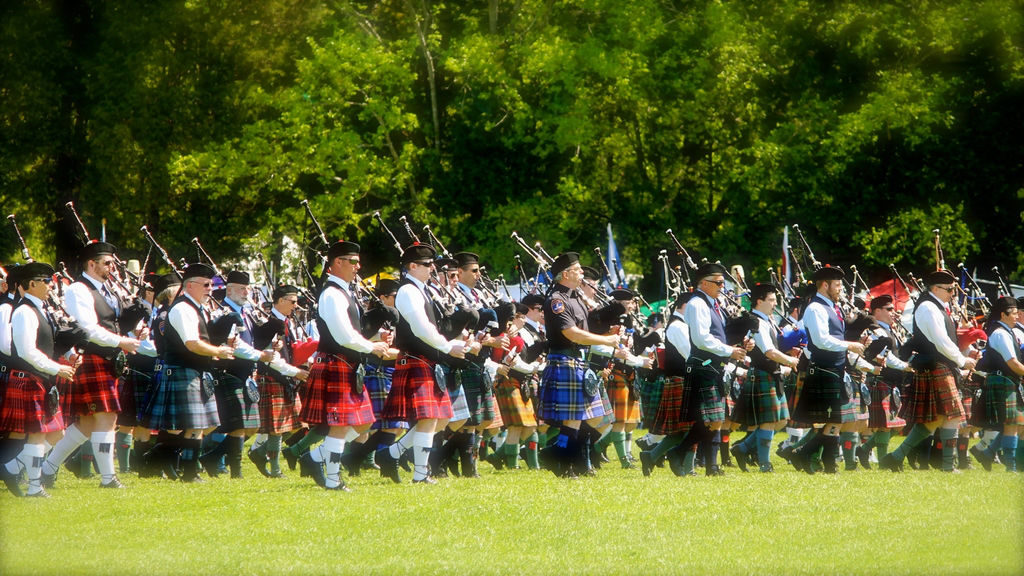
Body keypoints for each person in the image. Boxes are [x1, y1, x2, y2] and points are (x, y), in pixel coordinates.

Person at [42, 241, 141, 489]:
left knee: (86, 424)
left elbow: (114, 321)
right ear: (91, 264)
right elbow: (87, 328)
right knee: (107, 417)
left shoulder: (108, 290)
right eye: (107, 262)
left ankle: (47, 468)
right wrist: (121, 341)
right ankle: (108, 478)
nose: (112, 267)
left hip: (108, 360)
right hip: (93, 357)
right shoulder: (79, 289)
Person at [298, 241, 392, 491]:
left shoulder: (346, 291)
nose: (357, 266)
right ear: (337, 262)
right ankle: (332, 480)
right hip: (335, 363)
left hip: (348, 365)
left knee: (363, 423)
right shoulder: (331, 293)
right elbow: (343, 335)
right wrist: (372, 347)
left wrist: (374, 338)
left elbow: (354, 331)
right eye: (352, 261)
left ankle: (315, 457)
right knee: (340, 426)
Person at [377, 243, 470, 484]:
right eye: (428, 265)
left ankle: (392, 453)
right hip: (417, 358)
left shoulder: (423, 290)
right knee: (430, 419)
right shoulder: (408, 291)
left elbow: (436, 325)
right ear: (413, 266)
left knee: (440, 419)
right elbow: (420, 327)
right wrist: (449, 347)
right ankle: (420, 474)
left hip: (428, 359)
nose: (433, 269)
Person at [140, 263, 235, 482]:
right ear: (189, 285)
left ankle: (167, 463)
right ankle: (176, 467)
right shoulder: (183, 308)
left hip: (196, 370)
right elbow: (192, 343)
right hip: (182, 370)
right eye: (206, 284)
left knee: (200, 425)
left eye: (211, 284)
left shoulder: (196, 308)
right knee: (192, 426)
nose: (210, 288)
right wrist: (218, 351)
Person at [880, 269, 976, 473]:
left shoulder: (938, 307)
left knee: (937, 419)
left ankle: (895, 458)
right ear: (935, 288)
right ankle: (947, 466)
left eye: (954, 289)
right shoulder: (928, 308)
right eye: (949, 289)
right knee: (952, 416)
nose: (953, 293)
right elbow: (940, 341)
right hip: (936, 365)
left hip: (940, 365)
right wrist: (961, 360)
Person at [536, 252, 621, 478]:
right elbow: (571, 333)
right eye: (578, 269)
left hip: (578, 360)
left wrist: (604, 331)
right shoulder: (556, 300)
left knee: (590, 418)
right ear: (566, 274)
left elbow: (585, 330)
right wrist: (606, 340)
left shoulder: (577, 298)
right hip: (564, 359)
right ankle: (564, 463)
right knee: (573, 418)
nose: (583, 272)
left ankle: (557, 454)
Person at [0, 263, 77, 497]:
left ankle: (11, 467)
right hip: (29, 378)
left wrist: (70, 355)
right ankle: (34, 487)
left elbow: (49, 341)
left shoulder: (41, 308)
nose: (50, 285)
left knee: (57, 434)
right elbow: (26, 351)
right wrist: (58, 368)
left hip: (42, 378)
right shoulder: (24, 311)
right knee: (36, 436)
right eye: (45, 281)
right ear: (31, 284)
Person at [789, 266, 866, 474]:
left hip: (836, 368)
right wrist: (849, 345)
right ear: (825, 285)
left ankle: (822, 460)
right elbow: (821, 340)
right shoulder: (815, 309)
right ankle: (813, 457)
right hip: (824, 368)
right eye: (838, 285)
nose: (841, 289)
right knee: (834, 419)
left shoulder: (834, 308)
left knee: (836, 420)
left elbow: (836, 339)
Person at [730, 284, 799, 472]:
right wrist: (790, 361)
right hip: (762, 373)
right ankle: (764, 464)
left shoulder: (766, 320)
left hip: (771, 374)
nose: (775, 303)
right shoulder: (756, 322)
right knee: (768, 421)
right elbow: (769, 351)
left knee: (782, 420)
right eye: (771, 300)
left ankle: (742, 448)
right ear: (759, 301)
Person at [249, 285, 310, 477]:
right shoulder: (269, 322)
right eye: (293, 302)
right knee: (277, 429)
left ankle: (259, 452)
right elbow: (271, 357)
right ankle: (275, 468)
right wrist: (295, 372)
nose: (295, 306)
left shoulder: (287, 322)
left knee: (296, 424)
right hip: (273, 376)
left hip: (286, 376)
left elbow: (289, 350)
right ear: (281, 300)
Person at [969, 296, 1024, 472]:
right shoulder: (1000, 333)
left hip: (1007, 380)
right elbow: (1012, 363)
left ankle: (987, 452)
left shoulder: (1008, 332)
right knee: (1012, 424)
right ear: (1003, 314)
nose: (1017, 316)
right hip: (1003, 380)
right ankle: (1011, 466)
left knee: (1014, 423)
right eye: (1014, 313)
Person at [856, 295, 910, 467]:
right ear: (877, 311)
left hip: (893, 382)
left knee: (897, 424)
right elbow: (887, 357)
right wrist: (905, 366)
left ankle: (864, 450)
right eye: (889, 309)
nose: (894, 312)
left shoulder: (891, 329)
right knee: (886, 425)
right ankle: (883, 462)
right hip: (880, 380)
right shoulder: (876, 331)